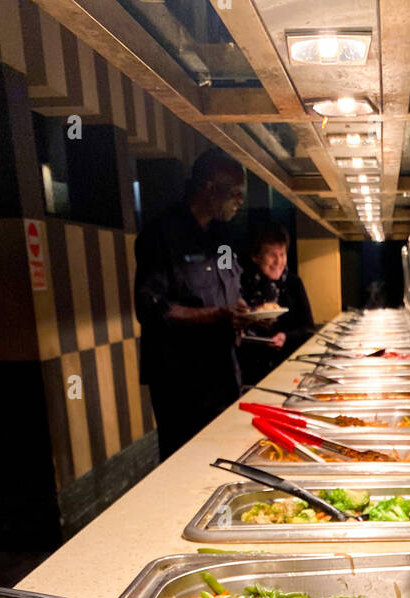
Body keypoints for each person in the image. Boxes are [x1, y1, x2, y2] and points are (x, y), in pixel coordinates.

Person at [134, 149, 249, 460]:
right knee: (187, 462)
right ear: (209, 187)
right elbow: (151, 308)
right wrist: (217, 314)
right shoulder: (161, 234)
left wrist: (242, 310)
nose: (240, 200)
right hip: (182, 380)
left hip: (223, 371)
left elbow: (227, 290)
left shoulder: (219, 235)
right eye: (235, 192)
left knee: (226, 455)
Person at [237, 223, 315, 385]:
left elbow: (308, 328)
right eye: (272, 255)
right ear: (255, 256)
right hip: (251, 371)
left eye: (282, 254)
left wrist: (286, 337)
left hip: (289, 369)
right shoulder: (242, 284)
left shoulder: (293, 283)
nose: (279, 261)